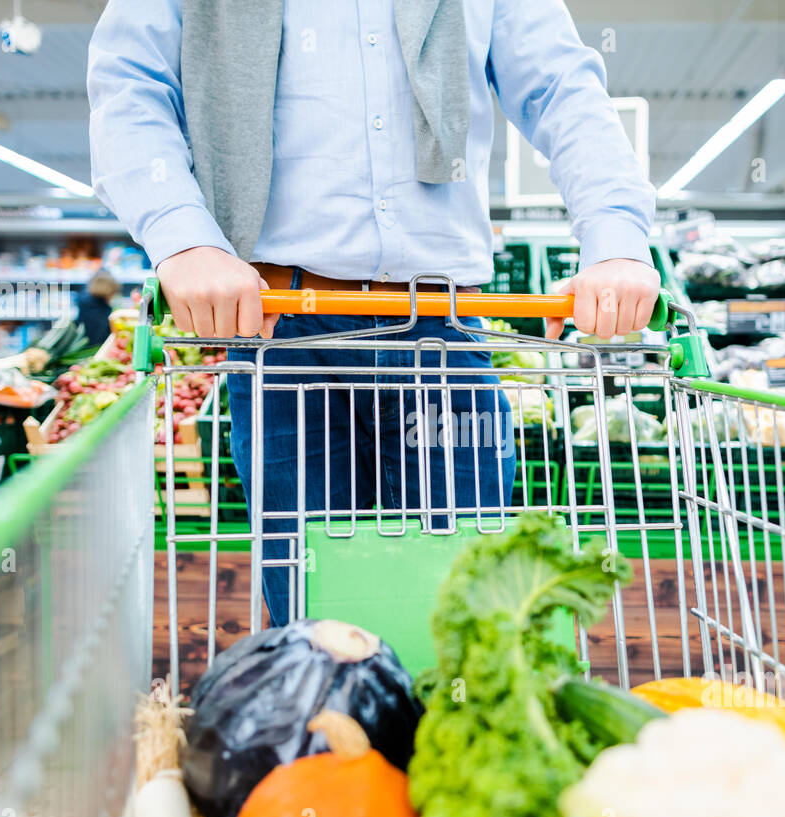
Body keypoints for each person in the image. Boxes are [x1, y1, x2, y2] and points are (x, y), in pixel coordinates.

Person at [88, 1, 659, 625]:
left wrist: (617, 241)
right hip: (280, 329)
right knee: (317, 630)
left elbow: (560, 88)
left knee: (463, 622)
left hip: (443, 330)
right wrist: (184, 236)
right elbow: (132, 80)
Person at [75, 269, 120, 346]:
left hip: (80, 345)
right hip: (95, 349)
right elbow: (101, 338)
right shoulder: (105, 312)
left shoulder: (82, 302)